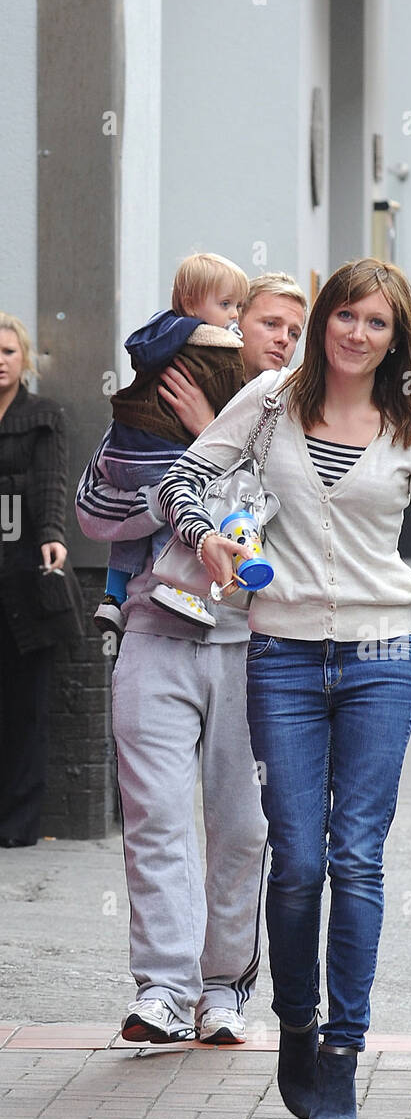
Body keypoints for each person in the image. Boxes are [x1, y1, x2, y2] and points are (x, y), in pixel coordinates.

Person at [159, 257, 411, 1119]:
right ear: (324, 321)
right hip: (285, 659)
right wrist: (206, 540)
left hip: (384, 659)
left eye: (376, 323)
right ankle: (296, 1025)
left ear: (396, 336)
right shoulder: (271, 400)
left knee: (358, 860)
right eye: (345, 315)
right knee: (298, 859)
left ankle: (342, 1049)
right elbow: (179, 480)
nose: (356, 334)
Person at [75, 272, 307, 1047]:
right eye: (266, 322)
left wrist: (210, 436)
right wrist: (172, 468)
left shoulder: (294, 421)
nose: (279, 339)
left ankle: (223, 989)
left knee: (242, 828)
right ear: (228, 330)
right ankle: (163, 991)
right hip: (155, 634)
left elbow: (285, 518)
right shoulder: (151, 406)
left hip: (254, 648)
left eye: (292, 331)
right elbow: (91, 511)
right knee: (155, 818)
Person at [94, 252, 249, 637]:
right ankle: (176, 586)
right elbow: (239, 421)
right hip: (161, 453)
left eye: (239, 306)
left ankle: (112, 596)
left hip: (122, 449)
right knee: (177, 505)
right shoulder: (217, 352)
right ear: (194, 305)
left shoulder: (158, 334)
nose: (234, 316)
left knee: (133, 529)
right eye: (226, 304)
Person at [0, 313, 83, 848]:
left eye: (8, 351)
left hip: (25, 577)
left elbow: (52, 485)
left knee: (24, 706)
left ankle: (17, 824)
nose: (0, 360)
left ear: (24, 359)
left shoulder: (42, 415)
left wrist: (51, 532)